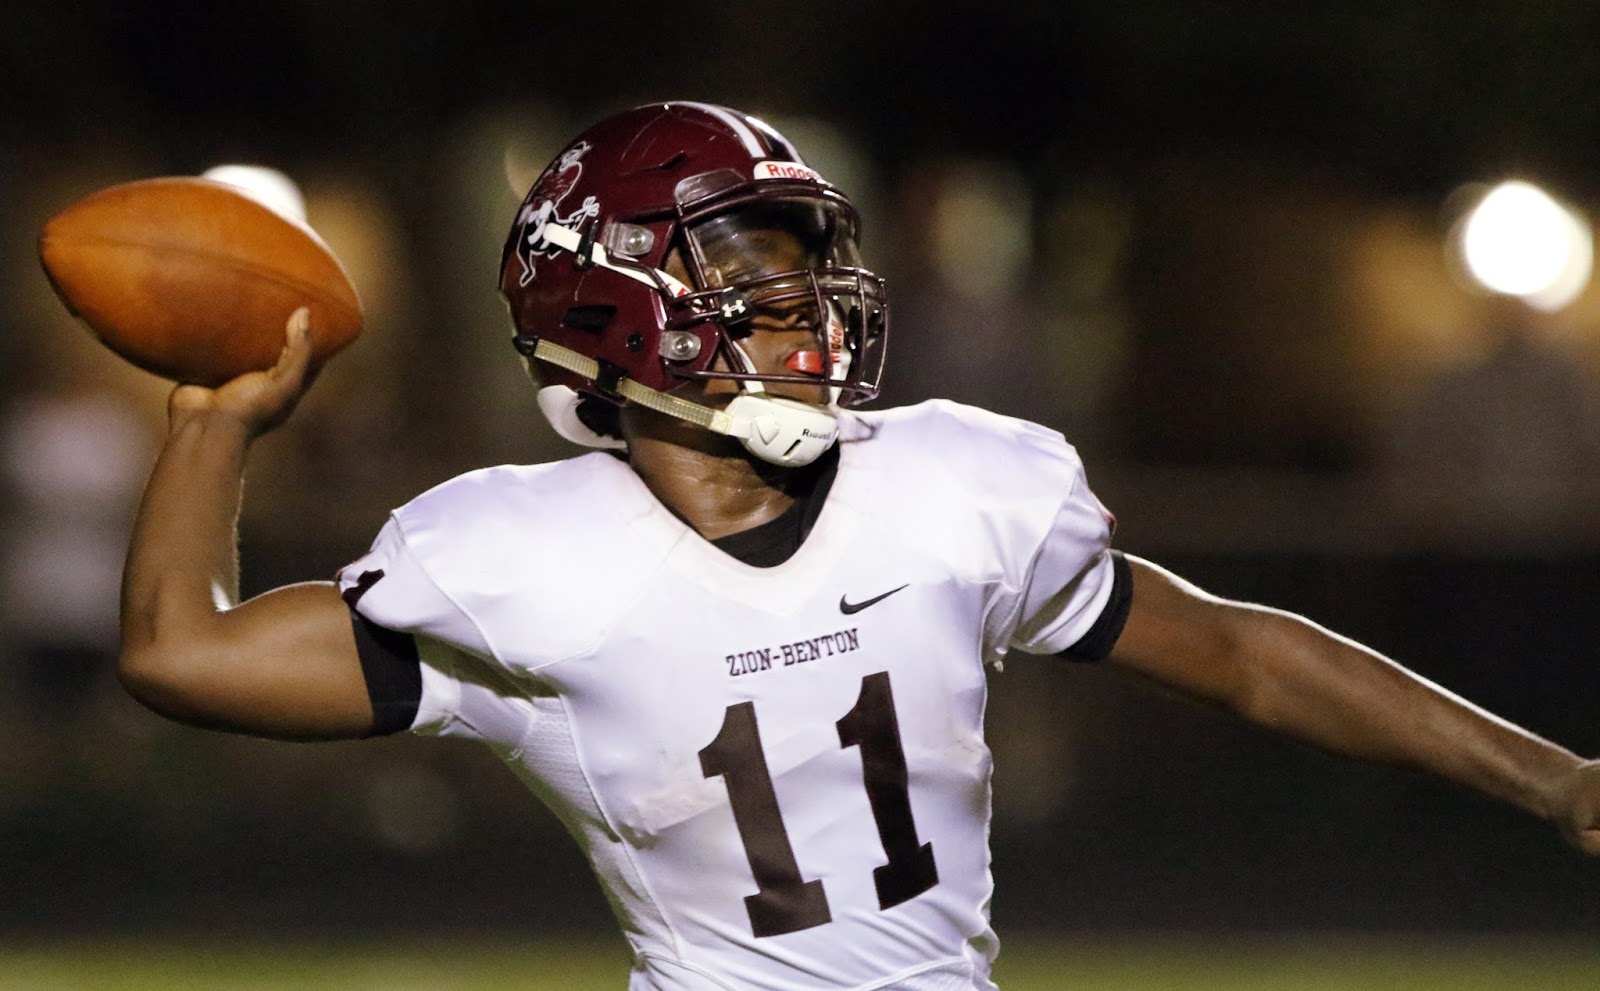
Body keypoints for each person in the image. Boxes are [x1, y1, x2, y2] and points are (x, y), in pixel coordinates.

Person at [118, 102, 1600, 991]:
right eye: (751, 276)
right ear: (609, 308)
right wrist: (216, 425)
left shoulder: (953, 481)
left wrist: (1556, 779)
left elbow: (1243, 654)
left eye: (806, 267)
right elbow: (183, 653)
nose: (806, 310)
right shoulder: (515, 558)